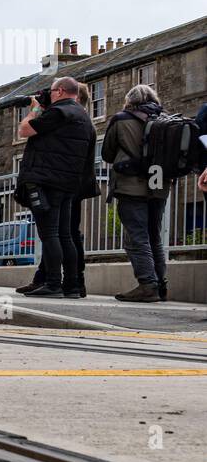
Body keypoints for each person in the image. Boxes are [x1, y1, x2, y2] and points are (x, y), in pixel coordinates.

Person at [18, 84, 100, 297]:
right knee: (65, 235)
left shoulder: (59, 112)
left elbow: (24, 130)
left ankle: (53, 283)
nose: (50, 94)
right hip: (70, 184)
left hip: (47, 182)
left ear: (61, 91)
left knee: (50, 233)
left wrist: (35, 109)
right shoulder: (84, 117)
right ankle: (72, 285)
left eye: (53, 91)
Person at [102, 85, 170, 302]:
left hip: (131, 186)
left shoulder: (121, 119)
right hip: (159, 185)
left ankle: (147, 285)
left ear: (129, 100)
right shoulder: (166, 120)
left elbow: (107, 153)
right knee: (154, 236)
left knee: (136, 238)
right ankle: (160, 285)